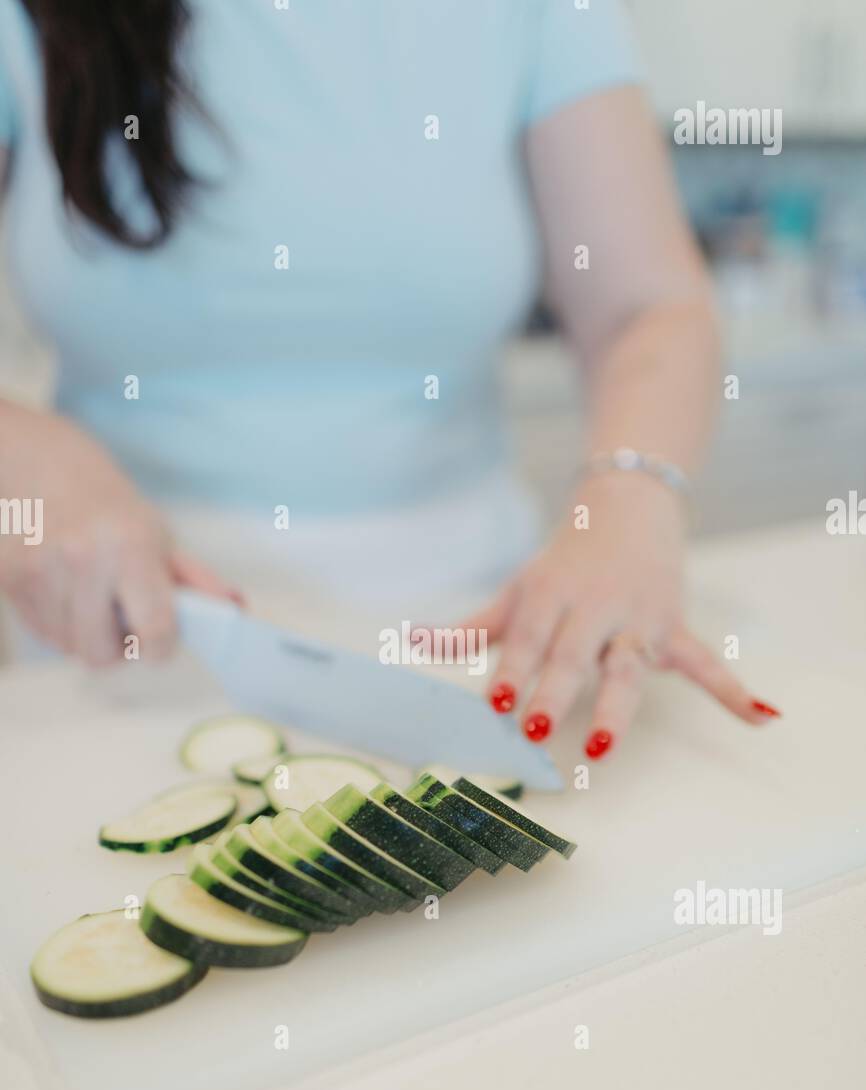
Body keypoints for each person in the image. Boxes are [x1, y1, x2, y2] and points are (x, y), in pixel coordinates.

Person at [0, 0, 779, 760]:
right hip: (100, 644)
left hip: (464, 641)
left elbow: (646, 307)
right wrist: (23, 449)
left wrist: (631, 498)